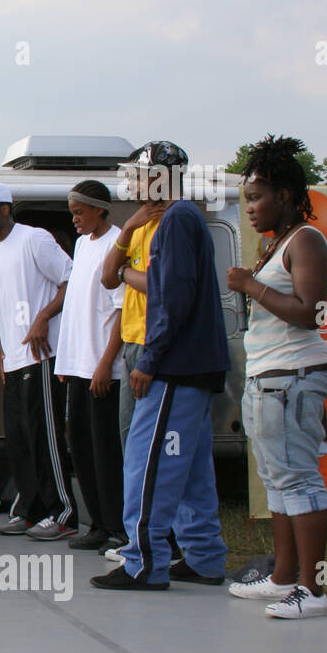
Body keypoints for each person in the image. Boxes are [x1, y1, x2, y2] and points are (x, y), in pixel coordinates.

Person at [92, 141, 230, 591]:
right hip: (194, 366)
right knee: (188, 466)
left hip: (175, 367)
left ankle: (142, 563)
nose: (131, 181)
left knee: (147, 461)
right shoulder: (184, 217)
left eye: (138, 173)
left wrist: (149, 360)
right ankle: (205, 557)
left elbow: (172, 298)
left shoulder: (175, 219)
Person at [221, 138, 327, 617]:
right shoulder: (277, 244)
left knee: (300, 480)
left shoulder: (306, 240)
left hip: (292, 378)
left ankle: (313, 590)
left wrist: (250, 285)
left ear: (285, 195)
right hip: (269, 379)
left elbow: (311, 313)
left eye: (256, 197)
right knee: (277, 482)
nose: (249, 208)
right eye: (247, 198)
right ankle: (284, 577)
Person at [0, 181, 76, 540]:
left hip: (42, 354)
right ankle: (29, 510)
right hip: (13, 357)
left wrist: (43, 317)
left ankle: (62, 513)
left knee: (45, 435)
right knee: (18, 438)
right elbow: (1, 302)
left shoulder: (35, 239)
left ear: (4, 209)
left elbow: (69, 281)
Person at [54, 180, 126, 551]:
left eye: (79, 212)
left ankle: (118, 526)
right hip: (78, 366)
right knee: (80, 447)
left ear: (100, 209)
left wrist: (105, 363)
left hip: (103, 370)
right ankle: (97, 521)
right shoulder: (82, 245)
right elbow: (75, 309)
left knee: (106, 451)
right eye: (72, 213)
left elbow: (120, 312)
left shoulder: (116, 244)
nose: (75, 220)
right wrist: (66, 359)